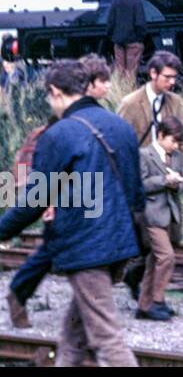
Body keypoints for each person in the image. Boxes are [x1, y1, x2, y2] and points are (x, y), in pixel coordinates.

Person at [0, 60, 143, 366]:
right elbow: (135, 192)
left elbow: (34, 201)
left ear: (54, 91)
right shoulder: (120, 125)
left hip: (86, 249)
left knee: (107, 339)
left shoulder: (58, 134)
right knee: (73, 336)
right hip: (119, 244)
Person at [7, 54, 117, 327]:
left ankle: (26, 296)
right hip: (67, 197)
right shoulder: (59, 125)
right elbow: (45, 169)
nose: (107, 87)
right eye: (102, 81)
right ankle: (19, 293)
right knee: (53, 249)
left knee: (60, 250)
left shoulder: (98, 116)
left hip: (85, 198)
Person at [118, 51, 183, 193]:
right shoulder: (129, 104)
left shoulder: (175, 102)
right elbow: (119, 146)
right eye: (167, 77)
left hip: (170, 181)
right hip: (141, 181)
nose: (172, 82)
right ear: (153, 74)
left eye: (174, 77)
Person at [135, 115, 183, 321]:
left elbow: (182, 183)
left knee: (153, 260)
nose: (175, 146)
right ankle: (157, 301)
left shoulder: (177, 156)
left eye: (178, 142)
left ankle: (143, 305)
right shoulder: (144, 155)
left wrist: (176, 183)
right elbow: (140, 185)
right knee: (166, 257)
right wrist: (164, 180)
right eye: (173, 141)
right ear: (161, 135)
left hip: (171, 215)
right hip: (151, 215)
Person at [105, 0, 149, 80]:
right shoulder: (136, 1)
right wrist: (140, 39)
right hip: (133, 42)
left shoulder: (115, 1)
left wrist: (113, 37)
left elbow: (110, 23)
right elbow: (140, 23)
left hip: (119, 43)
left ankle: (120, 93)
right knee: (131, 73)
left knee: (120, 72)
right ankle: (129, 93)